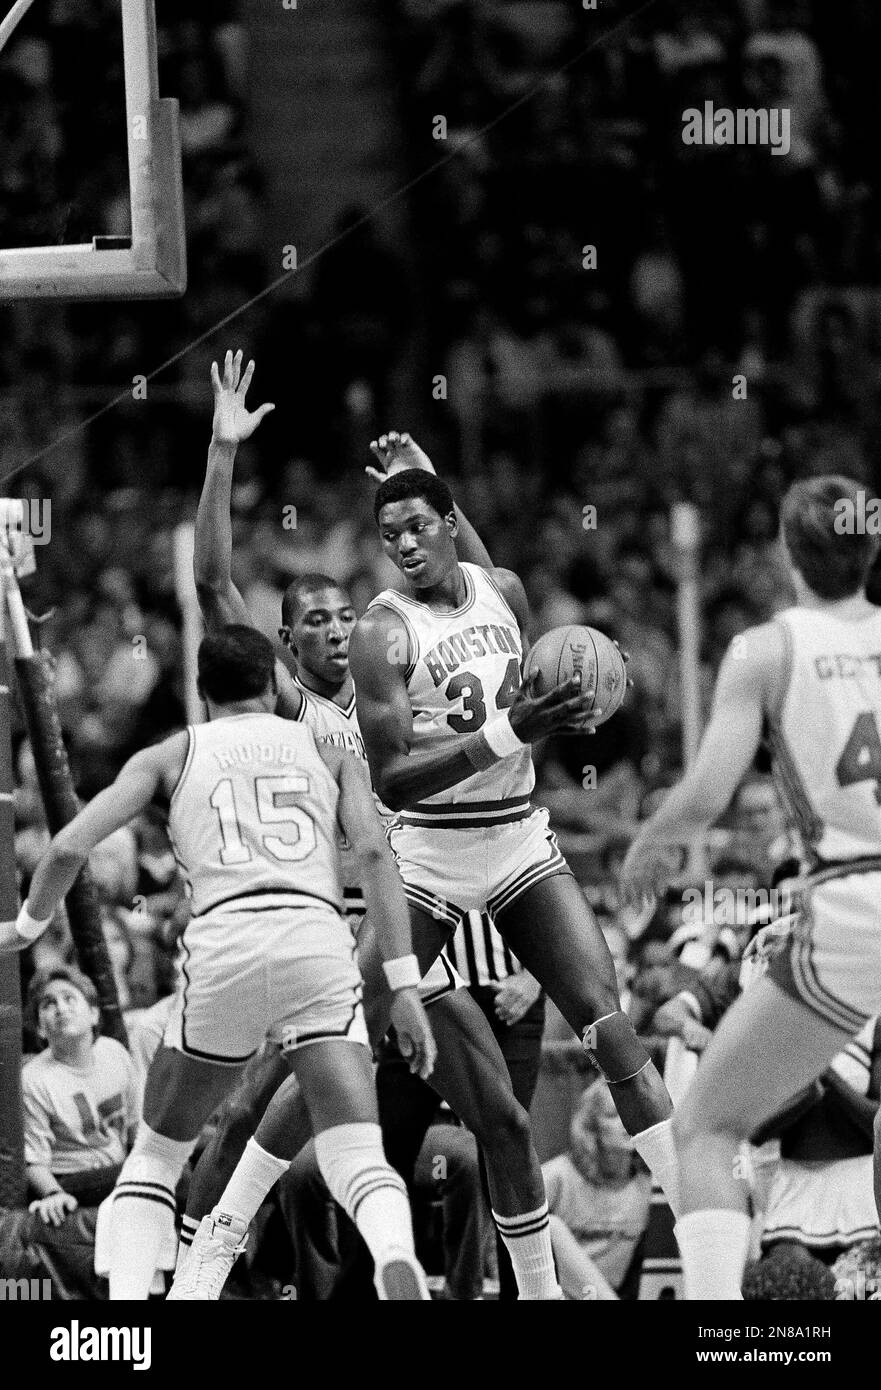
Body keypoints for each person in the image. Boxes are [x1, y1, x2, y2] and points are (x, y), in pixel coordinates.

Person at [180, 352, 585, 1300]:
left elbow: (487, 597)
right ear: (287, 647)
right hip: (336, 946)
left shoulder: (399, 681)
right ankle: (202, 1265)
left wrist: (426, 477)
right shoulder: (300, 715)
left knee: (498, 1129)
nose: (331, 627)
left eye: (341, 613)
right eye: (311, 619)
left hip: (424, 936)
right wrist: (222, 452)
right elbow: (212, 591)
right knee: (250, 1106)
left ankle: (518, 1291)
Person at [2, 624, 435, 1301]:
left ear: (203, 693)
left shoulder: (174, 751)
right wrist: (403, 984)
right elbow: (378, 856)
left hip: (225, 943)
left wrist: (28, 927)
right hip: (314, 940)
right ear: (272, 685)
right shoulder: (330, 749)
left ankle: (130, 1316)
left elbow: (65, 849)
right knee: (354, 1146)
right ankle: (392, 1255)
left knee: (158, 1152)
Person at [344, 465, 680, 1214]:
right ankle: (222, 1224)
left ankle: (700, 1216)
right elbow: (392, 783)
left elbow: (503, 632)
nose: (402, 542)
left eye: (418, 525)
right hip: (430, 848)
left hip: (516, 840)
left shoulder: (504, 591)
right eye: (388, 533)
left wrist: (574, 703)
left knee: (610, 1028)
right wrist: (509, 732)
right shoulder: (380, 630)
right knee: (340, 1033)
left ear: (448, 520)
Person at [621, 473, 881, 1300]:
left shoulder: (766, 649)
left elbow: (705, 794)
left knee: (705, 1126)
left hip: (848, 902)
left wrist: (650, 843)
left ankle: (714, 1327)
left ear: (784, 553)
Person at [21, 965, 139, 1222]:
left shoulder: (114, 1052)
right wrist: (53, 1193)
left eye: (69, 998)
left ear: (94, 1014)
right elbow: (32, 1159)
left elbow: (135, 1126)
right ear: (40, 1028)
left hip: (117, 1168)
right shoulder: (34, 1079)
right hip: (71, 1178)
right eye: (49, 1004)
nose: (61, 1008)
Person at [542, 1082, 652, 1301]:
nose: (626, 1123)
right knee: (551, 1227)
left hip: (617, 1293)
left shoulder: (647, 1188)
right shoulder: (556, 1176)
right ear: (592, 1126)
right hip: (556, 1295)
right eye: (614, 1115)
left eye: (630, 1113)